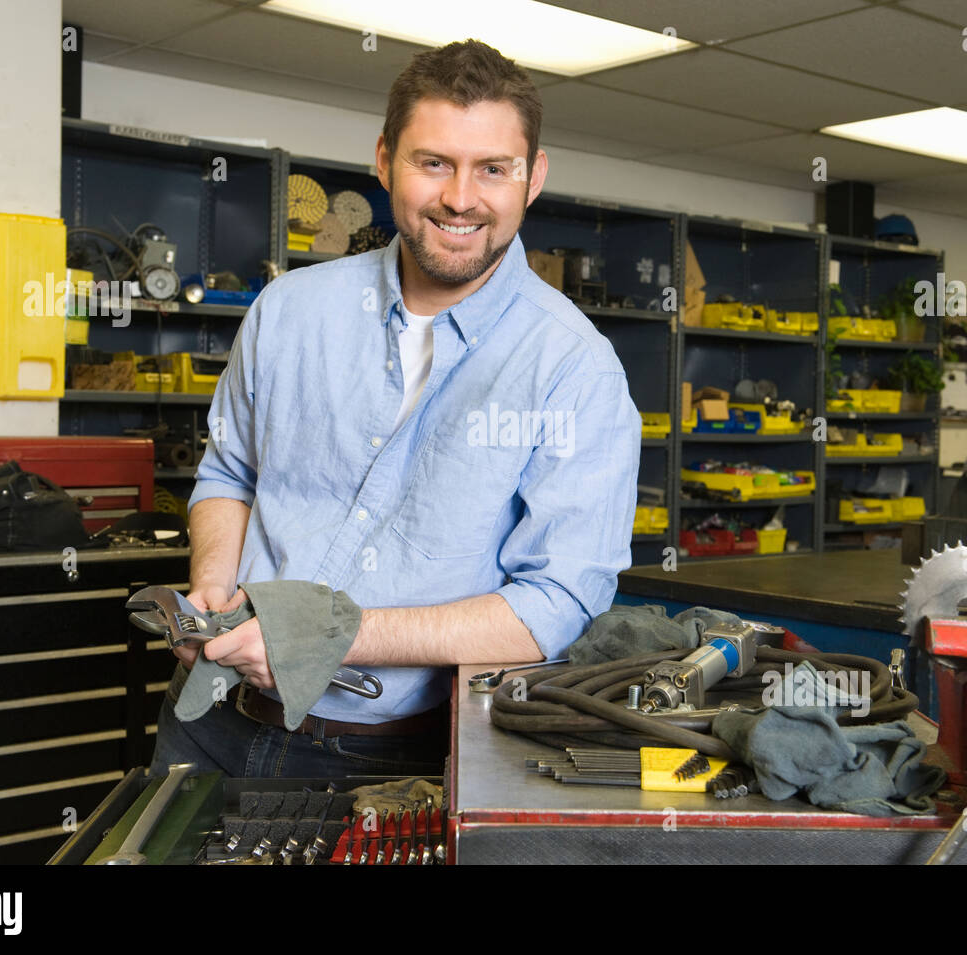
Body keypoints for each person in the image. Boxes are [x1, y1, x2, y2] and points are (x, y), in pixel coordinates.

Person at [149, 39, 640, 780]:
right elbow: (230, 474)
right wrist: (213, 586)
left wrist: (334, 635)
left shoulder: (574, 367)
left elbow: (554, 603)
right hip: (206, 720)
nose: (461, 197)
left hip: (386, 760)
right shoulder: (289, 311)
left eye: (493, 169)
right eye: (433, 162)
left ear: (532, 178)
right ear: (385, 162)